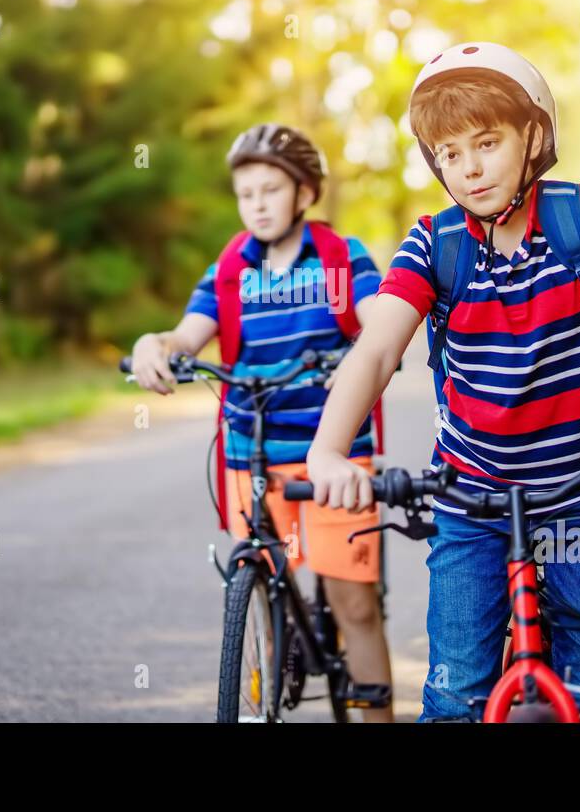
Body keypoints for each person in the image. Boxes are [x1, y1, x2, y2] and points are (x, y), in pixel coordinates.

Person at [304, 42, 580, 721]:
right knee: (454, 696)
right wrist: (328, 452)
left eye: (486, 142)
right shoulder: (434, 243)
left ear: (533, 136)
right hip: (471, 496)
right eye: (449, 153)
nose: (470, 169)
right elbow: (376, 351)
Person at [129, 123, 394, 721]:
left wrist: (374, 342)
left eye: (271, 189)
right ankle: (268, 701)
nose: (257, 204)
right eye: (246, 193)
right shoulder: (229, 269)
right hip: (248, 451)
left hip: (336, 455)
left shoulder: (339, 257)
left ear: (304, 194)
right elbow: (186, 337)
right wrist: (154, 345)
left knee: (353, 607)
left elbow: (380, 318)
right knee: (266, 590)